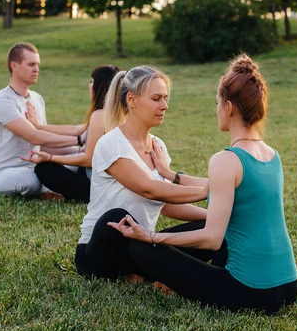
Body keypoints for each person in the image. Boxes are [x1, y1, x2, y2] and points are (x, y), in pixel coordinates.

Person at [108, 55, 297, 314]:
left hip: (252, 293)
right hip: (288, 286)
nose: (216, 109)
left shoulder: (225, 159)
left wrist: (151, 236)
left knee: (142, 249)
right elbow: (222, 185)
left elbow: (211, 239)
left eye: (217, 103)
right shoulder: (270, 154)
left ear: (229, 107)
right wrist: (171, 174)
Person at [75, 66, 215, 281]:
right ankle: (157, 272)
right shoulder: (111, 143)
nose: (164, 106)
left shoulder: (158, 145)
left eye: (165, 98)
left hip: (139, 244)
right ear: (131, 100)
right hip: (99, 251)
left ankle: (150, 272)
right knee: (116, 218)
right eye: (156, 98)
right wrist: (208, 191)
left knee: (212, 227)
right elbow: (149, 190)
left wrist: (215, 217)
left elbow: (166, 205)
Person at [0, 42, 81, 197]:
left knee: (78, 162)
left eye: (37, 64)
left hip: (37, 165)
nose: (37, 69)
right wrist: (78, 139)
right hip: (3, 172)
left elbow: (44, 144)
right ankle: (50, 188)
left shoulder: (37, 99)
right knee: (31, 181)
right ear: (14, 66)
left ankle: (51, 186)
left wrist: (80, 151)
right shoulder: (1, 100)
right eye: (31, 64)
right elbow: (35, 137)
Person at [22, 65, 121, 202]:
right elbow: (75, 130)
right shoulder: (117, 113)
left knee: (44, 169)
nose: (90, 85)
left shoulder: (99, 116)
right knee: (75, 164)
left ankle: (77, 195)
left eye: (92, 81)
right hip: (113, 183)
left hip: (100, 189)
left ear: (101, 86)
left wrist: (50, 157)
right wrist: (38, 126)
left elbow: (89, 160)